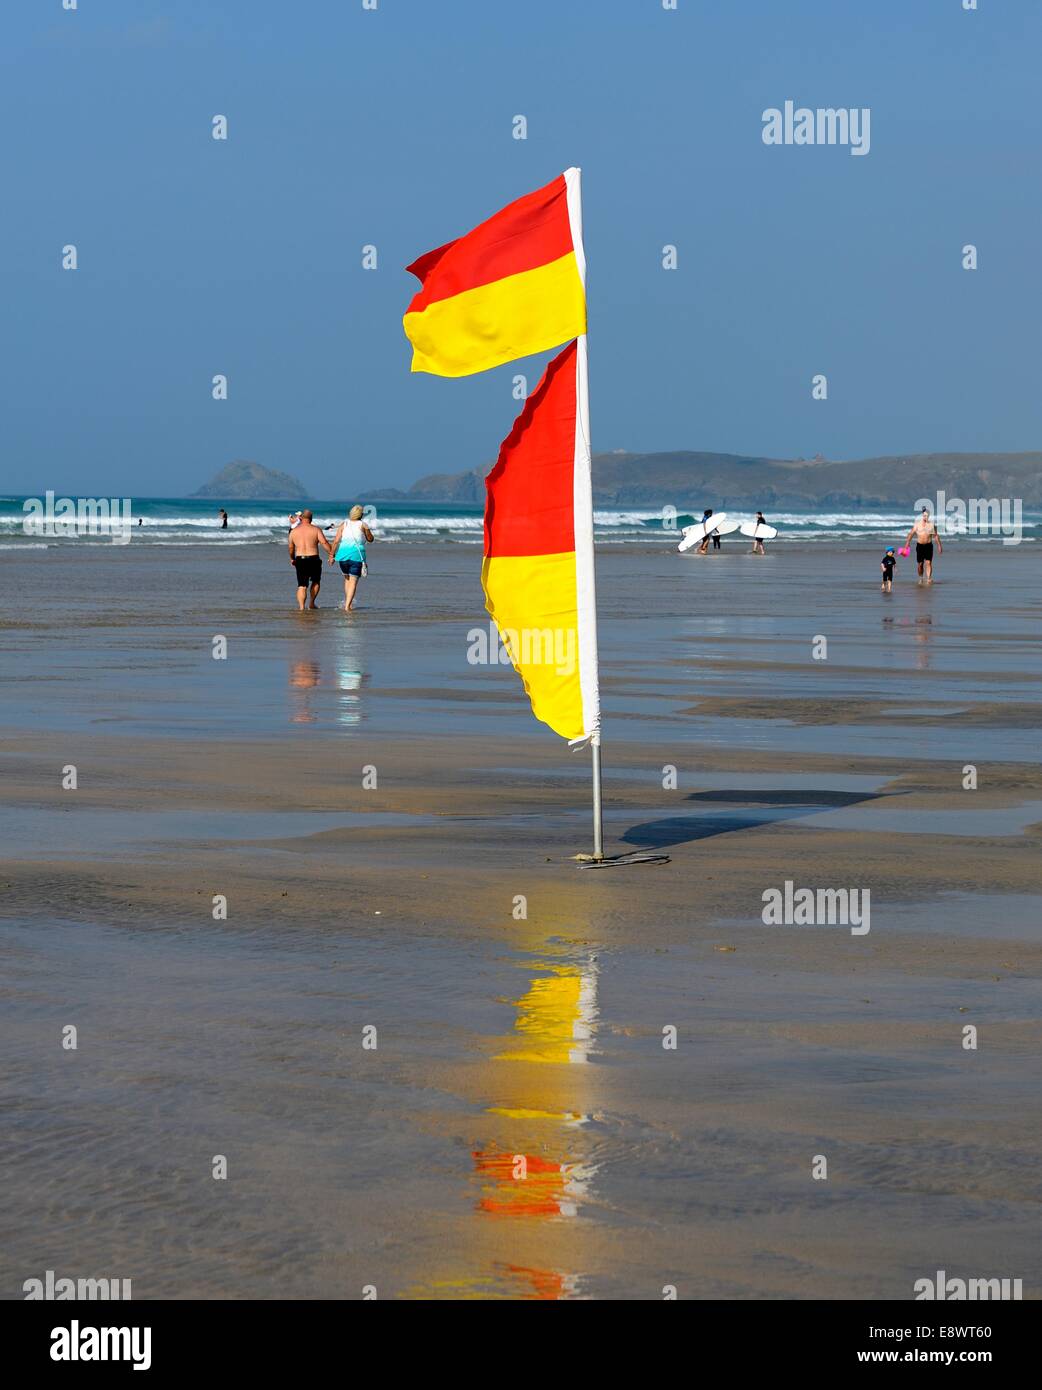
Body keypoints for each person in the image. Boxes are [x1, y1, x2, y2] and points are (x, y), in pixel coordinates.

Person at [329, 504, 375, 611]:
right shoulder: (363, 524)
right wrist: (367, 531)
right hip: (357, 556)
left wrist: (331, 555)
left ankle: (348, 604)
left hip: (342, 555)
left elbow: (336, 541)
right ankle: (347, 607)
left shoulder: (344, 524)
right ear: (361, 515)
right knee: (353, 581)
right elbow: (370, 539)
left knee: (347, 579)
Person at [287, 509, 332, 611]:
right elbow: (324, 543)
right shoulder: (316, 530)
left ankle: (302, 608)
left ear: (301, 518)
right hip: (313, 559)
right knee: (315, 581)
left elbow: (291, 548)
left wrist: (292, 558)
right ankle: (311, 603)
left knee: (302, 585)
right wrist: (331, 554)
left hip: (300, 559)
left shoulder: (293, 532)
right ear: (311, 519)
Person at [904, 507, 942, 584]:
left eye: (927, 516)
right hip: (920, 546)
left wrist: (939, 545)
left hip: (928, 545)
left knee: (928, 563)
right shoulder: (917, 525)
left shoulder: (932, 525)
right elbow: (911, 534)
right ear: (922, 515)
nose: (926, 517)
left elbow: (936, 536)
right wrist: (907, 543)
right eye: (924, 515)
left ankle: (928, 579)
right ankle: (921, 578)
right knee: (920, 564)